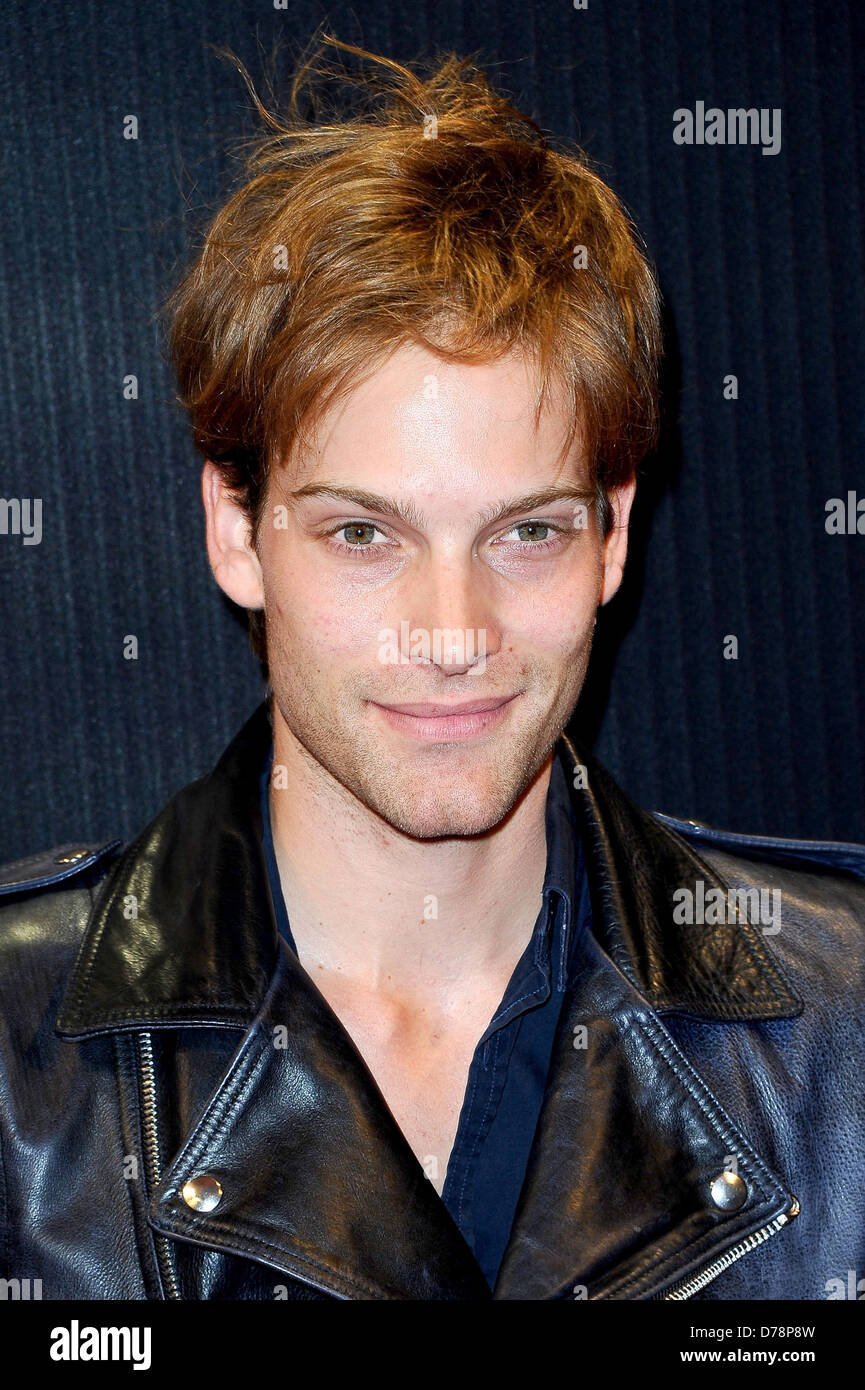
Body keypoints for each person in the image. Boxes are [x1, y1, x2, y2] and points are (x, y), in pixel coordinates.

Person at [1, 38, 863, 1302]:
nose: (452, 633)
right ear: (235, 533)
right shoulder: (20, 1060)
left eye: (527, 531)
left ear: (612, 537)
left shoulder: (839, 1030)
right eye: (364, 533)